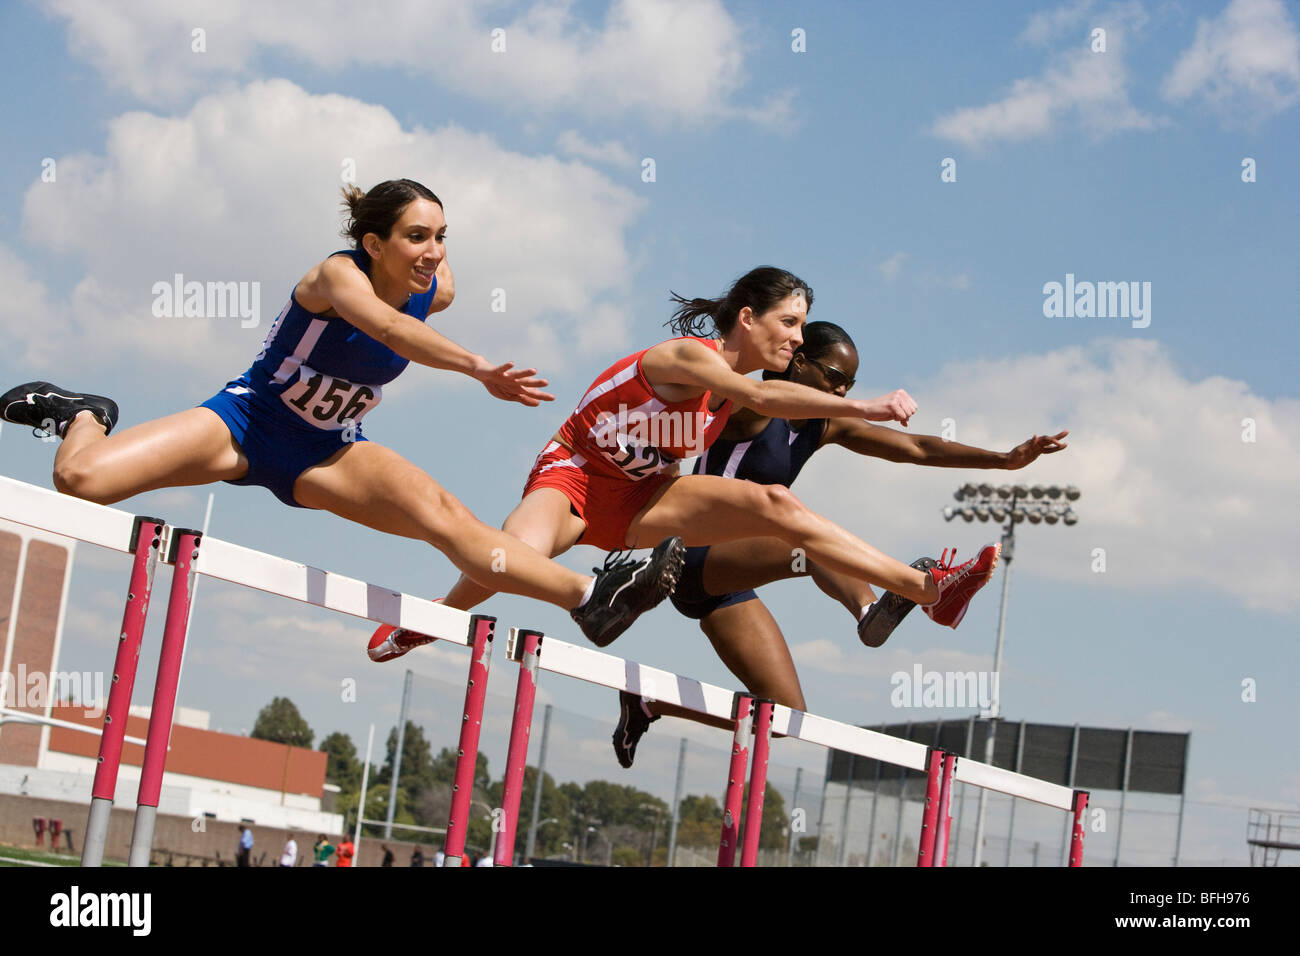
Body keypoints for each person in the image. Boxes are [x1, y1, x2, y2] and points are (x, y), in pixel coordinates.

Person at [0, 179, 685, 650]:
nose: (435, 253)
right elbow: (388, 330)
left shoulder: (435, 288)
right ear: (372, 242)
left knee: (448, 522)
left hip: (329, 449)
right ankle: (84, 412)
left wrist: (436, 279)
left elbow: (413, 308)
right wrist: (478, 368)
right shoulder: (334, 277)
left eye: (442, 236)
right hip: (247, 423)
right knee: (81, 482)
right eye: (417, 236)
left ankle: (593, 593)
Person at [371, 267, 1001, 661]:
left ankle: (928, 590)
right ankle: (431, 620)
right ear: (748, 317)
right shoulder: (689, 357)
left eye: (803, 329)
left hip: (646, 498)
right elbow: (762, 396)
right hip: (577, 476)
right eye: (789, 323)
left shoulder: (741, 382)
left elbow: (767, 398)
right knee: (511, 553)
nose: (796, 340)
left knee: (777, 505)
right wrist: (868, 404)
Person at [609, 321, 1068, 765]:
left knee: (786, 716)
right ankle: (874, 611)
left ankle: (650, 704)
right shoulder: (751, 407)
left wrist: (1004, 461)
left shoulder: (823, 424)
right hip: (691, 554)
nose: (842, 393)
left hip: (726, 583)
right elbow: (719, 396)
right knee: (803, 533)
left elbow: (916, 448)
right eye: (834, 378)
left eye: (850, 384)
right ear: (799, 362)